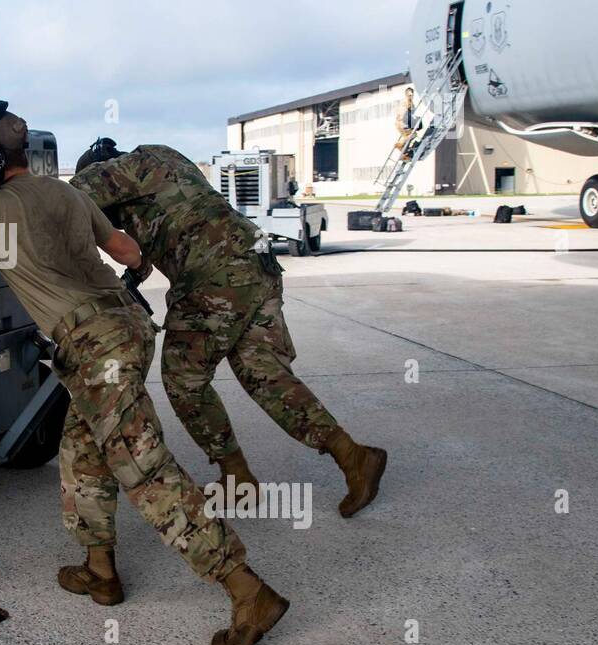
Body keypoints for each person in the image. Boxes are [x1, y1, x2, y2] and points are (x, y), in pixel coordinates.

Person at [0, 107, 289, 645]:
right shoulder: (66, 192)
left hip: (96, 349)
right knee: (81, 451)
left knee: (144, 468)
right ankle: (100, 570)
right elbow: (127, 251)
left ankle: (245, 588)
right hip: (129, 331)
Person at [71, 139, 387, 519]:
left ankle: (237, 479)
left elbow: (61, 200)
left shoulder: (113, 170)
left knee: (183, 380)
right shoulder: (163, 161)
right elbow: (155, 242)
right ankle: (353, 456)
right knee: (264, 374)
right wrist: (134, 274)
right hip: (255, 260)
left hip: (214, 276)